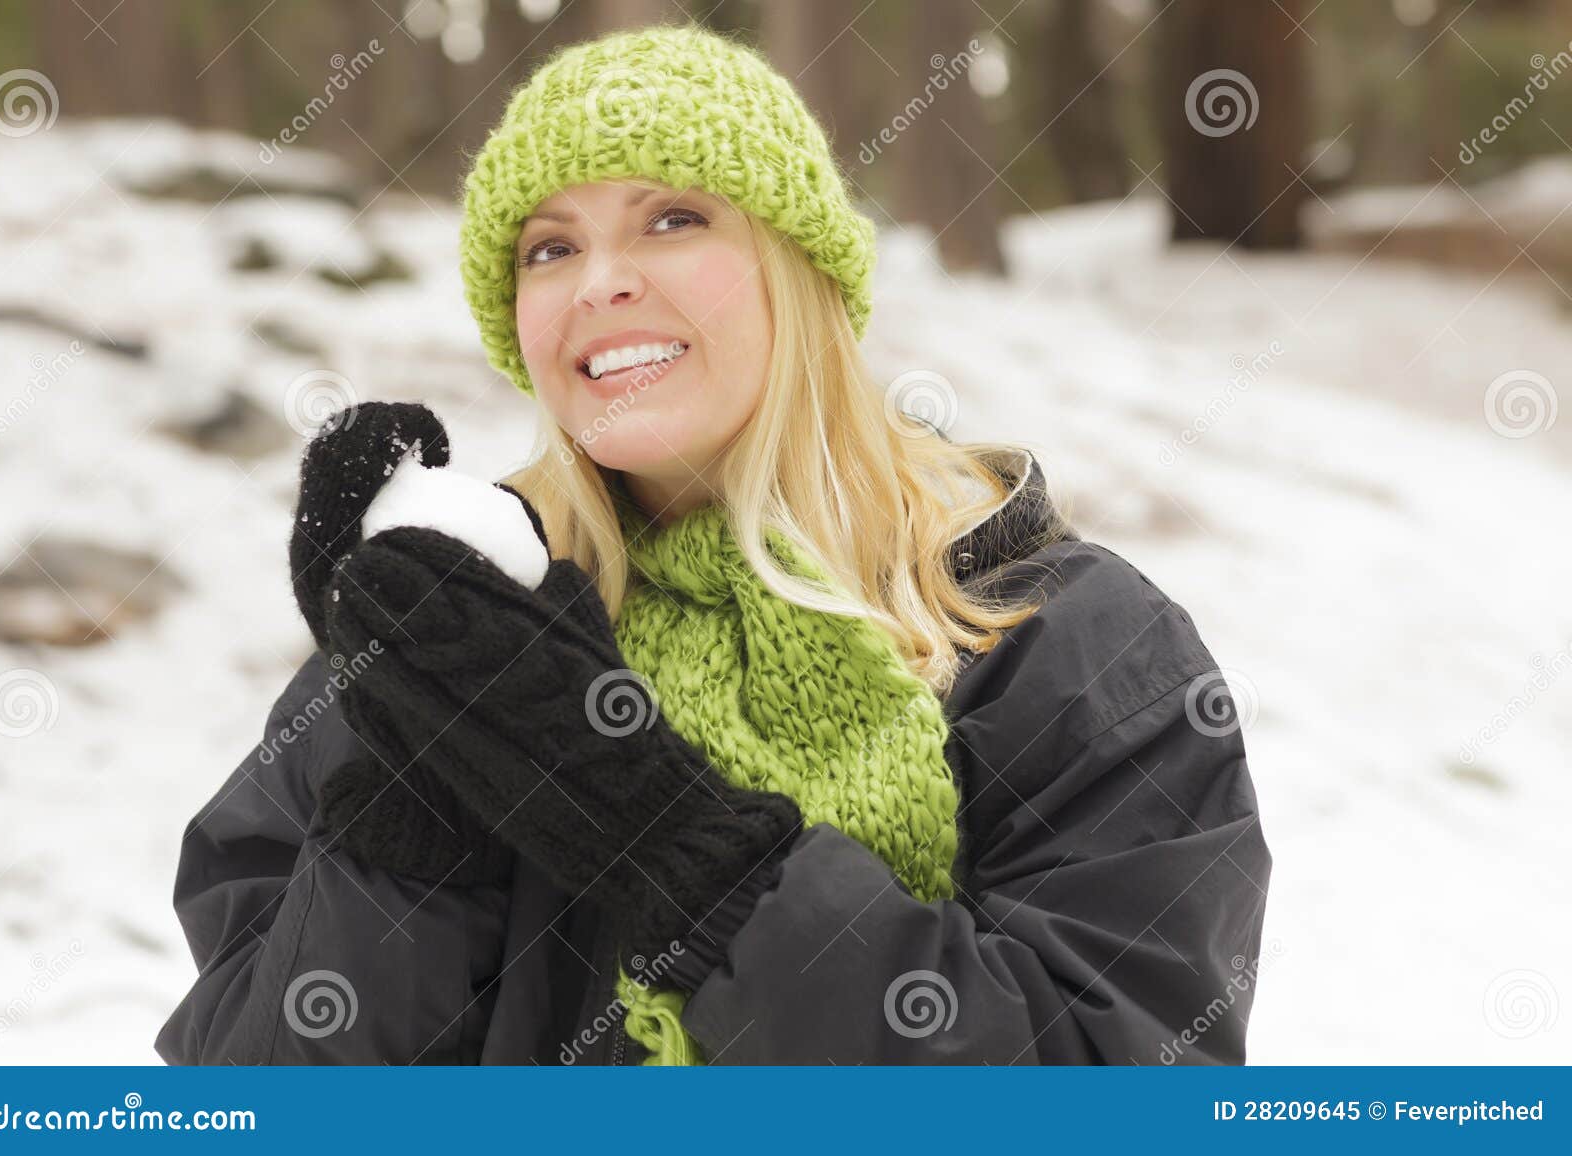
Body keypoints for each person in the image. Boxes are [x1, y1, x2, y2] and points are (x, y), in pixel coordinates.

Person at [155, 23, 1271, 1067]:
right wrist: (414, 771)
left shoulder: (1071, 646)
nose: (600, 282)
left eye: (672, 218)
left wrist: (682, 850)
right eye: (549, 247)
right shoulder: (454, 624)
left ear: (799, 268)